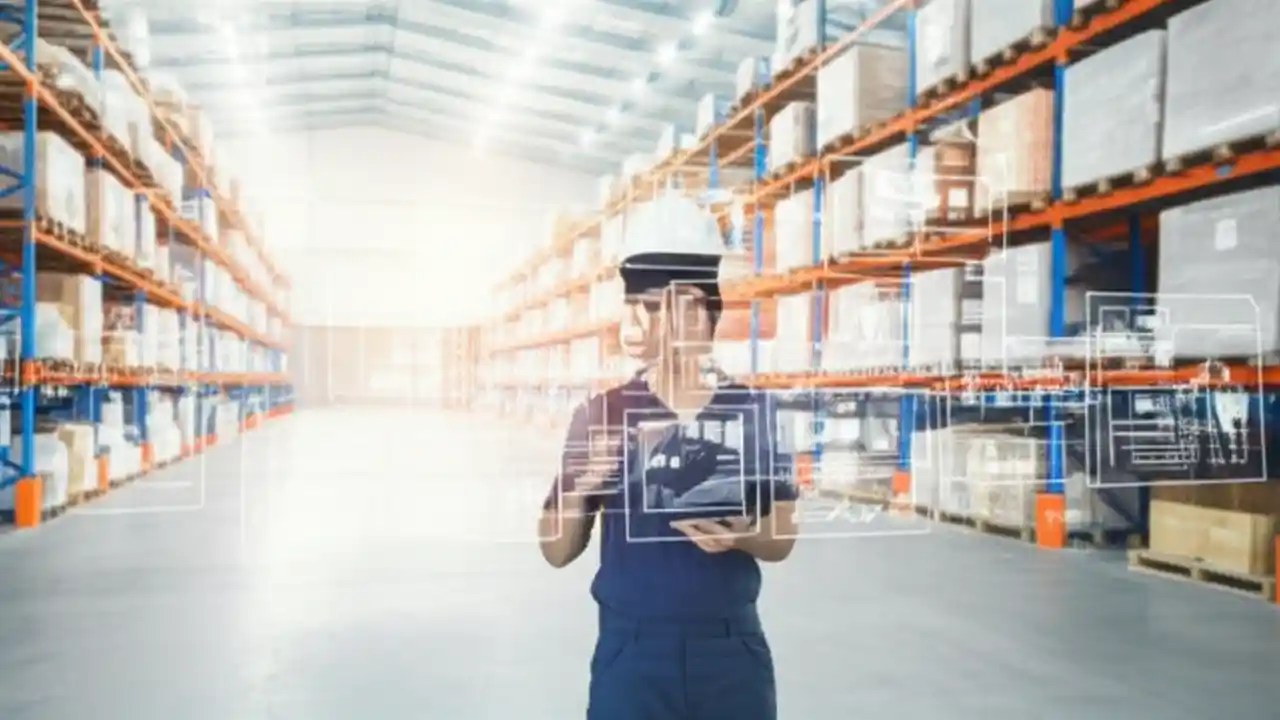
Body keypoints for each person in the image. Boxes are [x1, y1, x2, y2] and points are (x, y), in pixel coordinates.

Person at [537, 193, 799, 720]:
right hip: (632, 654)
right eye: (647, 308)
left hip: (730, 651)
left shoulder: (754, 412)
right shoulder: (603, 414)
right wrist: (584, 485)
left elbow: (782, 536)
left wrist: (741, 536)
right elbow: (555, 551)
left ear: (707, 309)